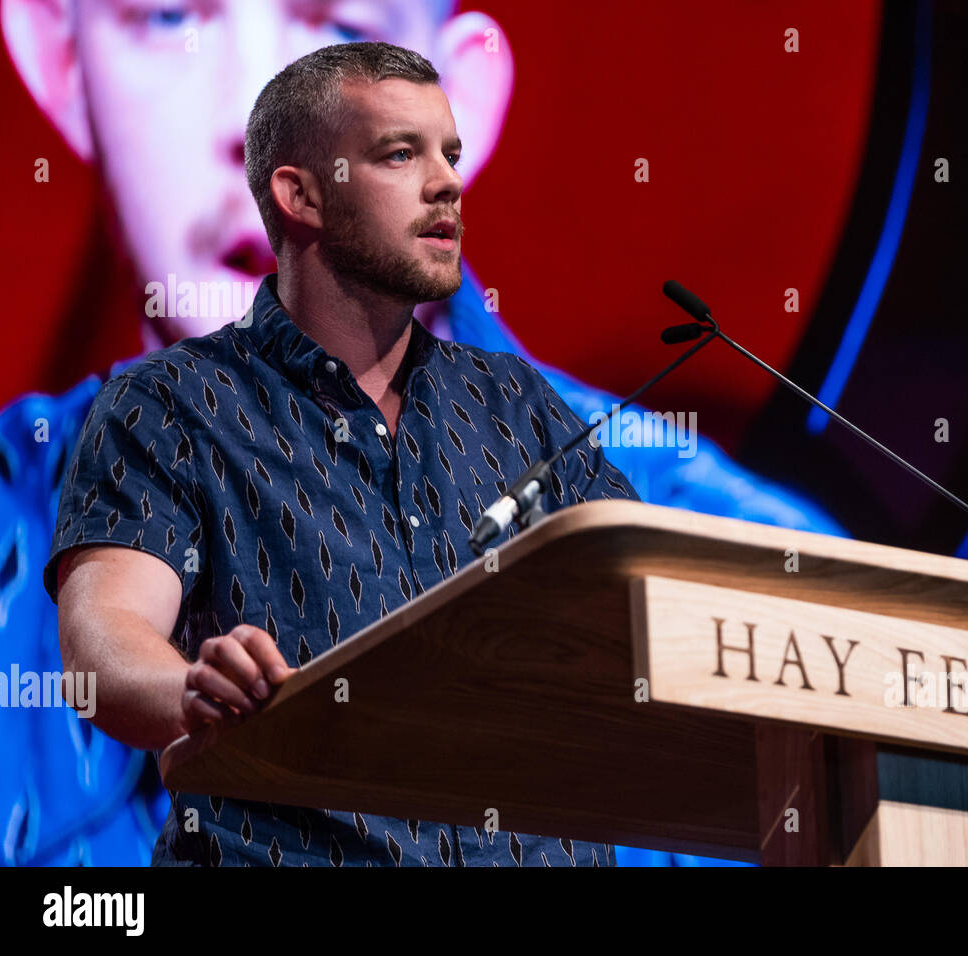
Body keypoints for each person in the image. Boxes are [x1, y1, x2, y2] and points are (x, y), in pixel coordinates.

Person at [0, 0, 843, 865]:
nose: (241, 118)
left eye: (337, 33)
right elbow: (104, 633)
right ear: (55, 54)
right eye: (171, 15)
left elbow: (618, 579)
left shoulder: (567, 441)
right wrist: (194, 692)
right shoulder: (149, 422)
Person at [47, 41, 647, 866]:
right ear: (301, 195)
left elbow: (654, 610)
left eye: (450, 153)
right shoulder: (171, 404)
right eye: (400, 154)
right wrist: (191, 689)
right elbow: (103, 638)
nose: (447, 182)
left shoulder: (522, 408)